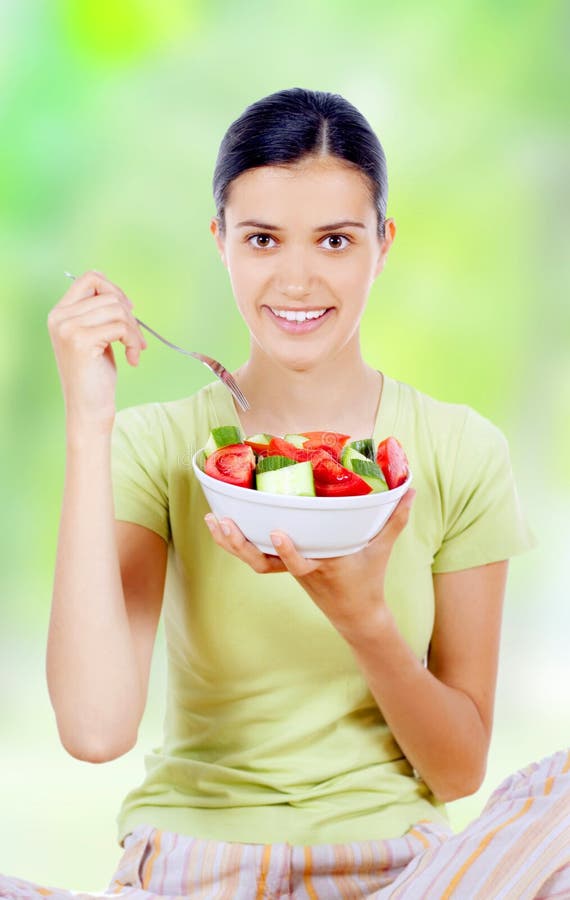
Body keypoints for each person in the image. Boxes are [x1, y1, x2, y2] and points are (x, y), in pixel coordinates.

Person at [2, 87, 569, 899]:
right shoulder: (158, 444)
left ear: (383, 243)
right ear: (221, 243)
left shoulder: (460, 449)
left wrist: (363, 618)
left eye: (335, 240)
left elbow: (456, 772)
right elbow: (95, 732)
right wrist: (89, 426)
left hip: (403, 875)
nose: (297, 280)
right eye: (263, 239)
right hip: (197, 869)